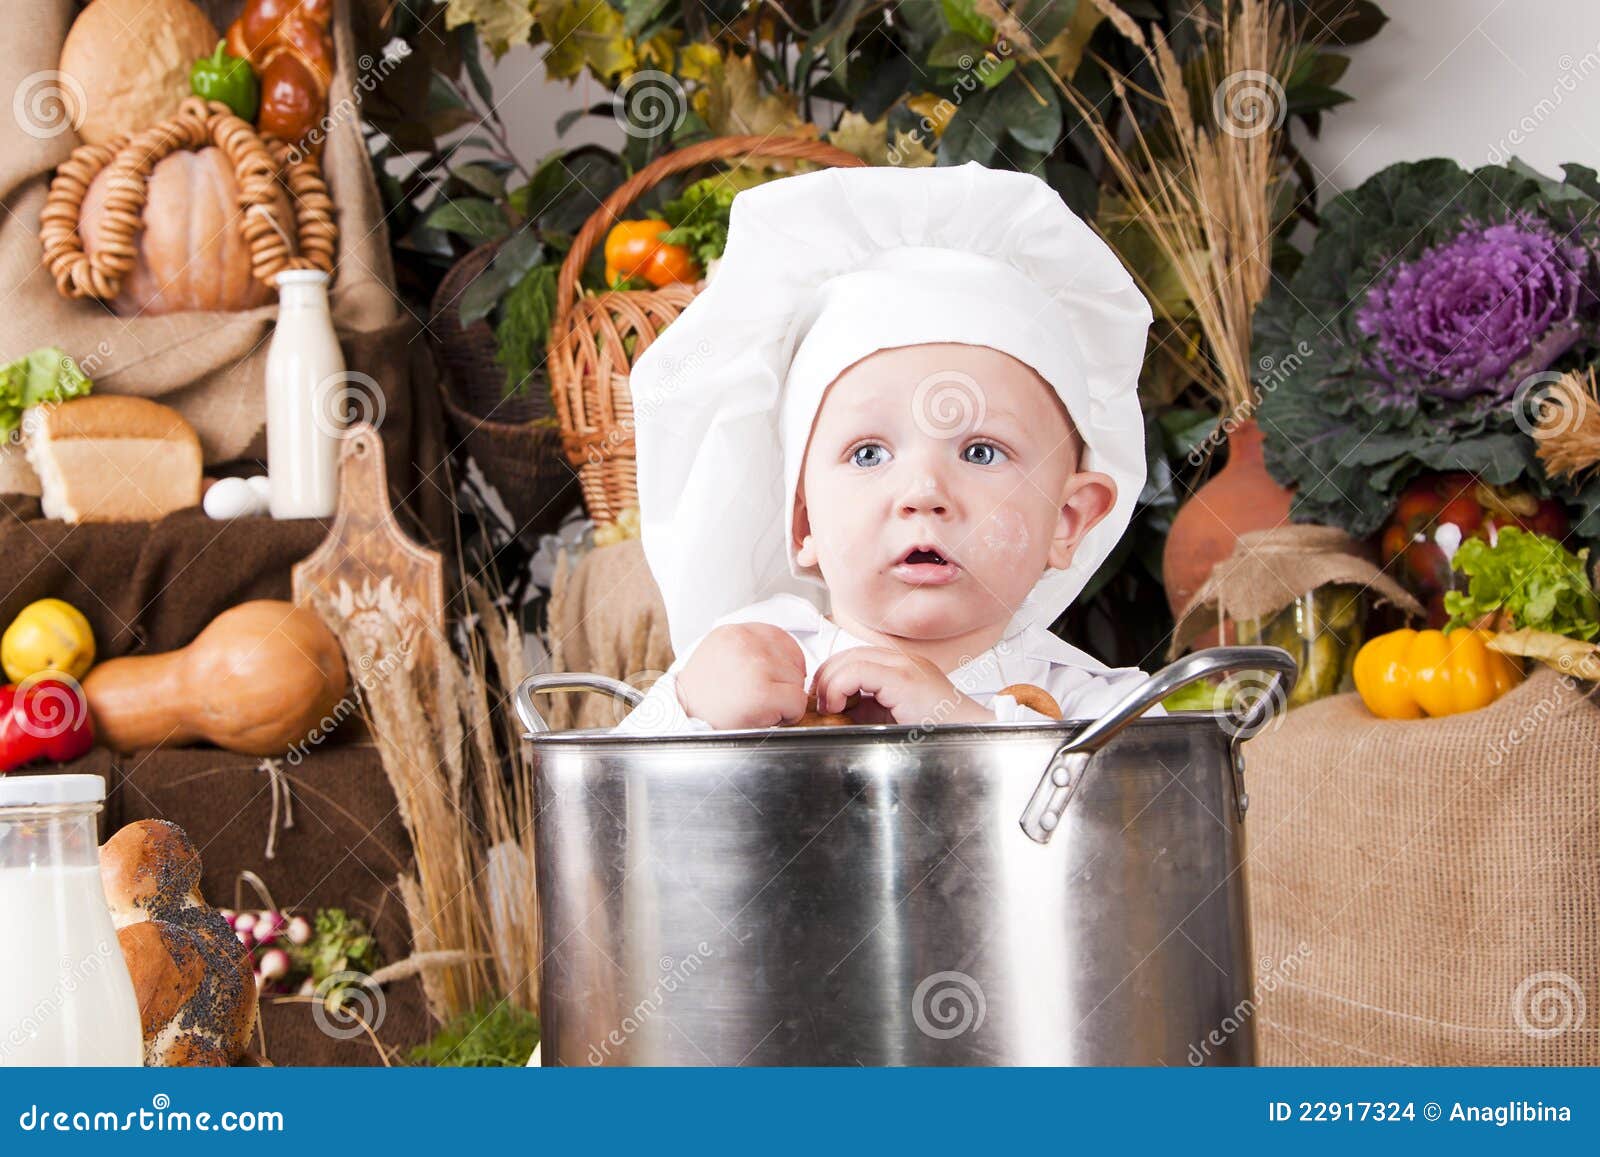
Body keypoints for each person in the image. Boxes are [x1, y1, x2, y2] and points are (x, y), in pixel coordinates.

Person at [610, 161, 1157, 733]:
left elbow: (1141, 812)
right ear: (803, 525)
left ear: (1066, 520)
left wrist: (964, 722)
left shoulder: (1097, 708)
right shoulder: (754, 662)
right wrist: (694, 712)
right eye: (868, 454)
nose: (924, 493)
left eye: (981, 452)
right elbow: (619, 809)